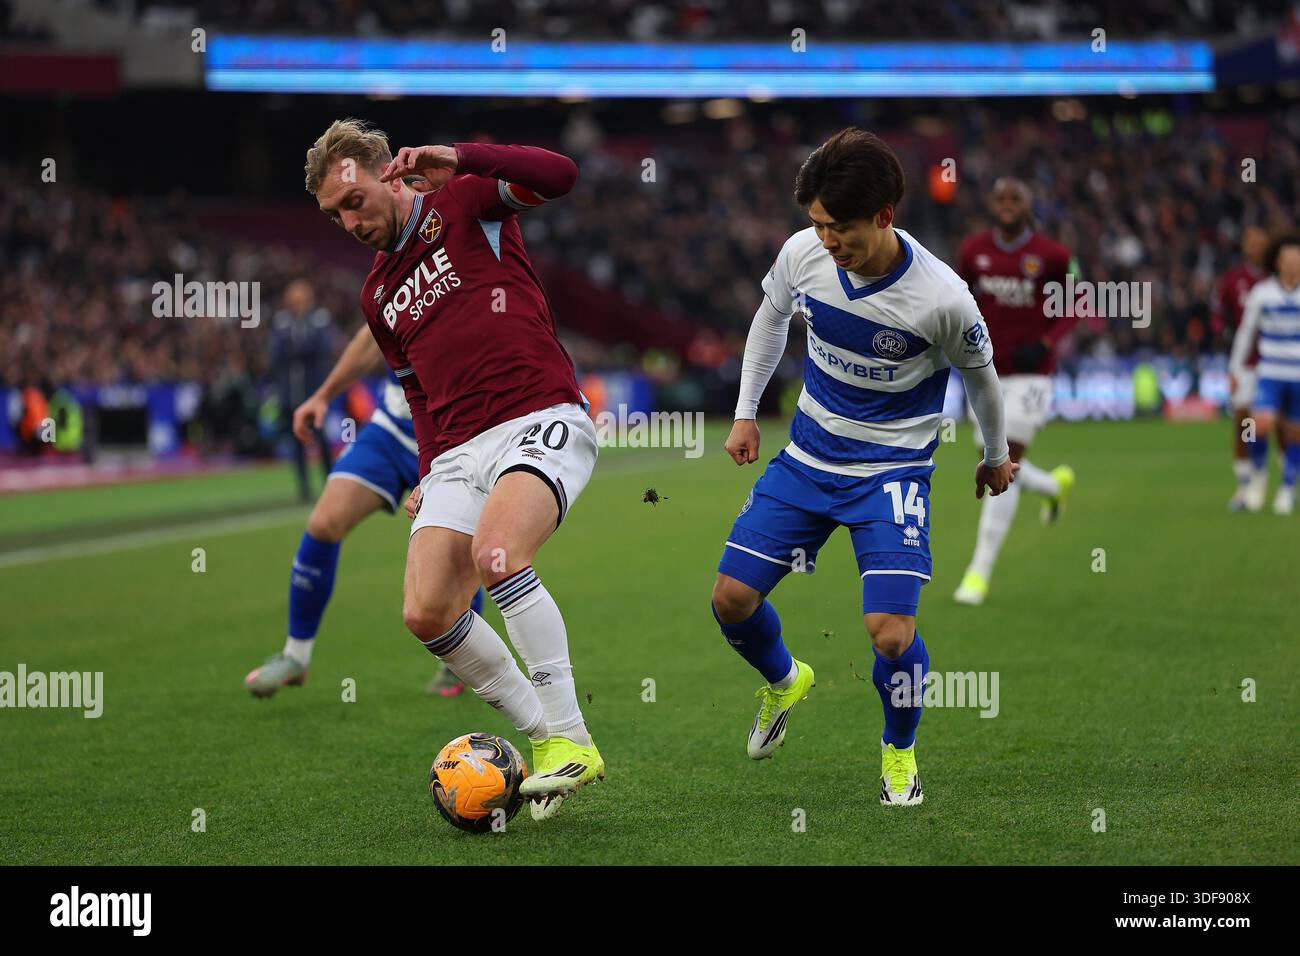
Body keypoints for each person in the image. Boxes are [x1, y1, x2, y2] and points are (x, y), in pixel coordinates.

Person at [305, 118, 602, 820]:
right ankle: (543, 740)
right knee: (427, 609)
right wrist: (430, 471)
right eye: (332, 214)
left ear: (388, 172)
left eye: (354, 200)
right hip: (458, 452)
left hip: (539, 416)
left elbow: (560, 174)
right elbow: (417, 391)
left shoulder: (466, 201)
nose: (349, 221)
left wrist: (462, 157)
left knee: (498, 555)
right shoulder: (376, 295)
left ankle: (573, 741)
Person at [710, 128, 1016, 807]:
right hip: (808, 460)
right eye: (817, 225)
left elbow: (983, 382)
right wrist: (744, 411)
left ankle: (899, 751)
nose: (826, 241)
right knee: (730, 600)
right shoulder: (802, 254)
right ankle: (786, 679)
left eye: (839, 227)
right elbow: (769, 319)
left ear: (884, 216)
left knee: (890, 634)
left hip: (891, 474)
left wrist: (995, 458)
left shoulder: (943, 299)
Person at [244, 323, 478, 698]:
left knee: (452, 545)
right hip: (391, 427)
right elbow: (371, 338)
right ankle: (296, 657)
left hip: (451, 430)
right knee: (323, 523)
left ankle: (462, 662)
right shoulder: (387, 279)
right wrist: (323, 395)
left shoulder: (462, 271)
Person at [951, 177, 1080, 606]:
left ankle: (979, 571)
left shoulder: (1053, 255)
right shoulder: (973, 251)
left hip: (1032, 374)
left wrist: (1045, 343)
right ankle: (1051, 487)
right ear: (992, 204)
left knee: (1004, 457)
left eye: (1016, 199)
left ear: (1029, 205)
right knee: (996, 463)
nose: (1007, 204)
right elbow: (956, 297)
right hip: (984, 371)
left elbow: (1074, 304)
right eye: (1001, 198)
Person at [1228, 232, 1300, 515]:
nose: (1293, 264)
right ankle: (1257, 480)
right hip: (1269, 370)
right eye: (1288, 259)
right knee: (1257, 425)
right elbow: (1246, 332)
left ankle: (1287, 488)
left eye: (1297, 258)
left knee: (1295, 434)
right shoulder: (1262, 293)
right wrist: (1235, 367)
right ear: (1278, 263)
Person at [1214, 225, 1272, 511]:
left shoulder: (1280, 278)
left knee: (1286, 426)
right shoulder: (1233, 279)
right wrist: (1221, 336)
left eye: (1260, 241)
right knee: (1244, 423)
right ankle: (1245, 483)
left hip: (1280, 362)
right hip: (1246, 364)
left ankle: (1288, 481)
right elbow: (1218, 314)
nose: (1256, 246)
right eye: (1251, 241)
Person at [268, 280, 335, 501]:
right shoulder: (282, 322)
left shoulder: (318, 319)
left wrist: (295, 349)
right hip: (290, 393)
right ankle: (304, 488)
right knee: (296, 442)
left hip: (314, 392)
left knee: (322, 439)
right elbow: (276, 353)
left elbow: (321, 347)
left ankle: (331, 482)